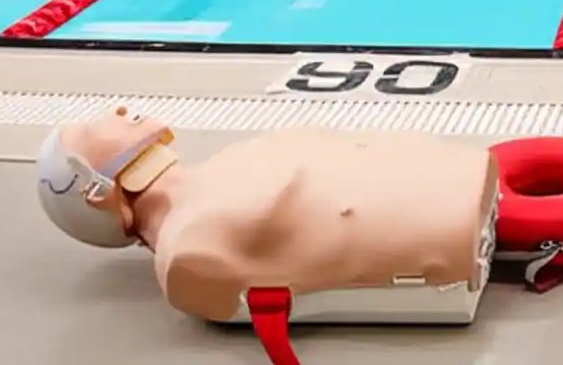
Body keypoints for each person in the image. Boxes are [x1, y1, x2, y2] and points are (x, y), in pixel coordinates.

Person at [37, 107, 497, 322]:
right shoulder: (189, 252)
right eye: (92, 128)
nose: (116, 111)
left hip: (474, 178)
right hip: (453, 237)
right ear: (93, 190)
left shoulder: (229, 161)